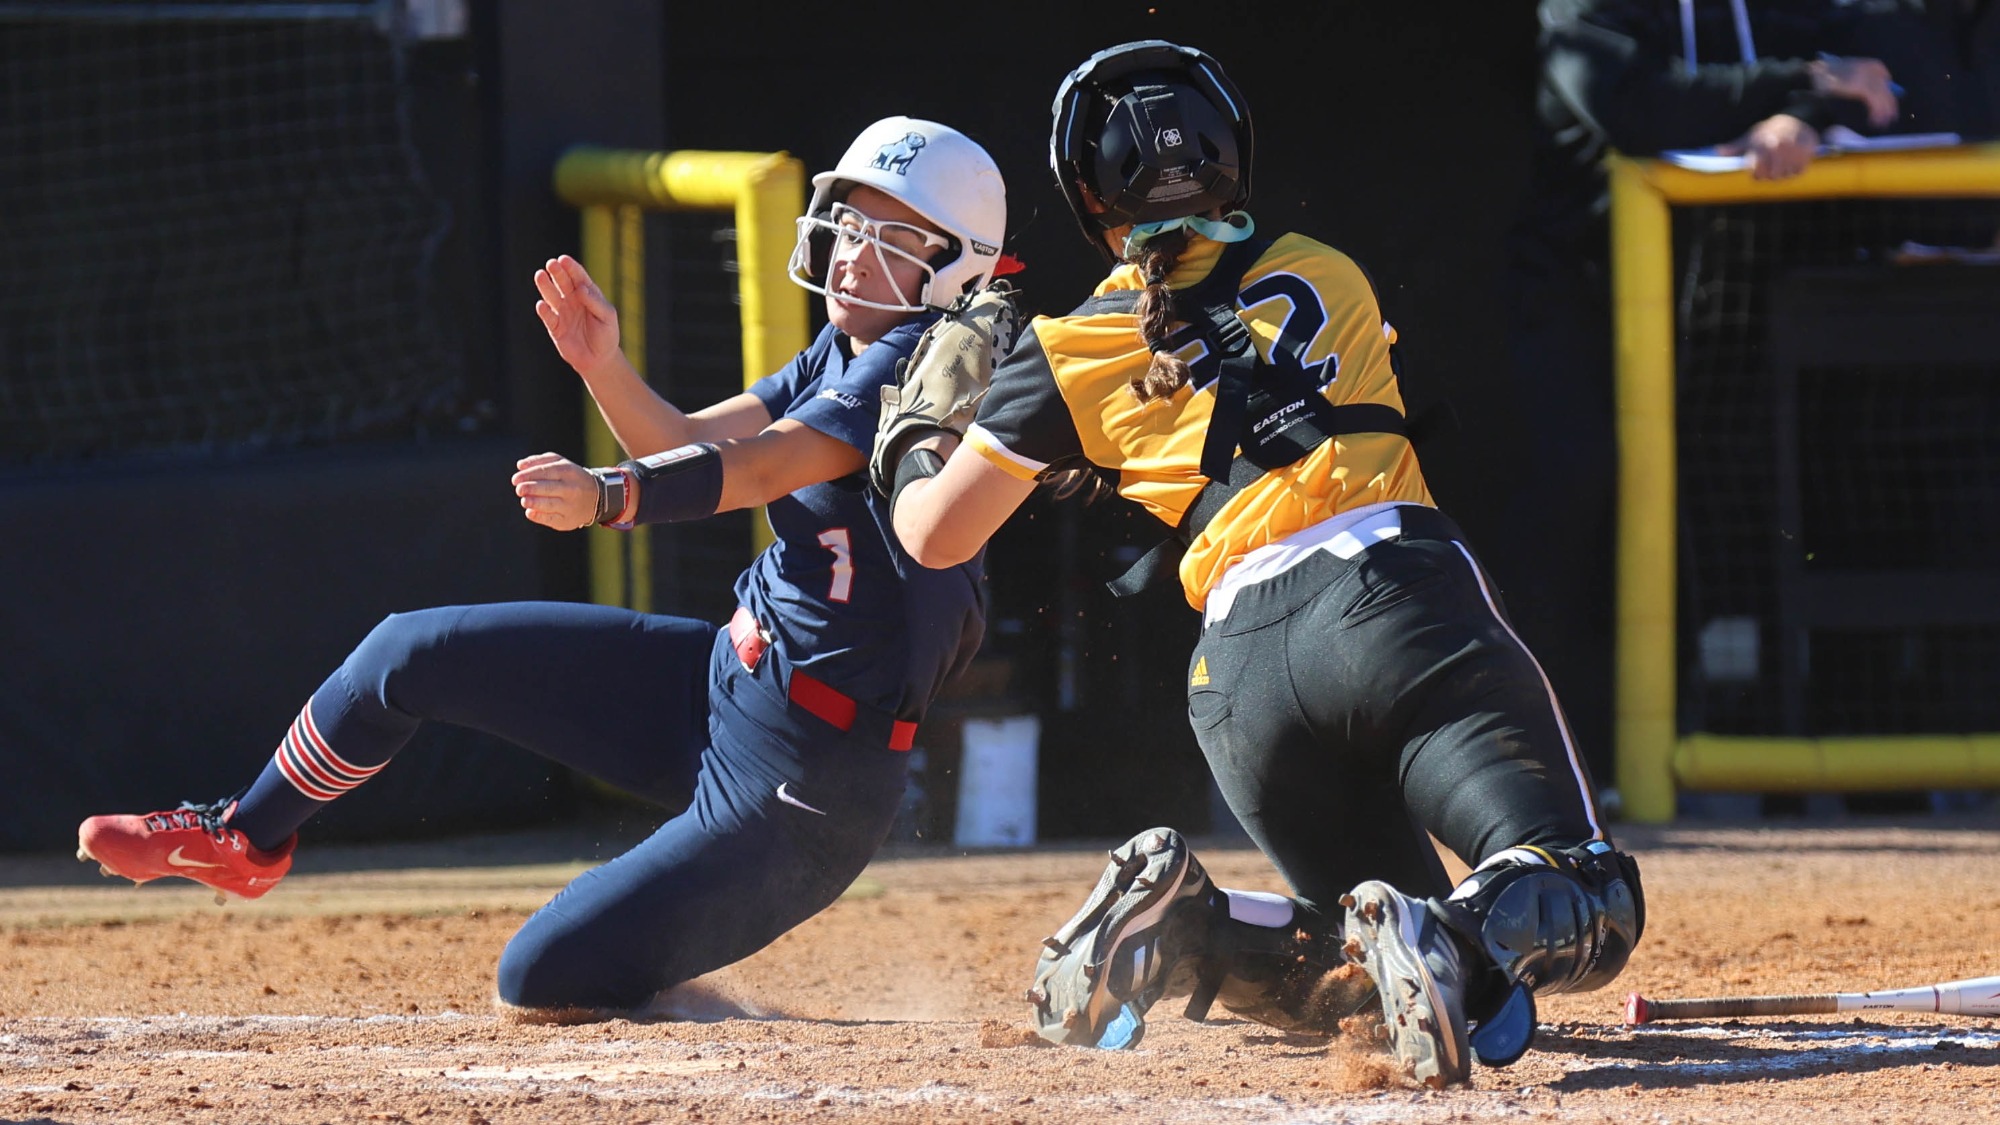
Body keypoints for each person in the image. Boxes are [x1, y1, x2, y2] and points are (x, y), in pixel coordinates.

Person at [75, 116, 1007, 1016]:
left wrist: (609, 496)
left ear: (957, 263)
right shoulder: (844, 344)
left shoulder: (915, 362)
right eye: (851, 224)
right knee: (409, 652)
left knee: (542, 977)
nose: (854, 254)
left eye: (893, 237)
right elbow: (684, 441)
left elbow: (761, 469)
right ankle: (243, 834)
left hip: (810, 776)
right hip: (726, 680)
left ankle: (714, 1019)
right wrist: (603, 365)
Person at [878, 42, 1643, 1088]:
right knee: (1584, 884)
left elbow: (932, 537)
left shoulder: (1064, 347)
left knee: (1374, 970)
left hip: (1236, 678)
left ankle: (1190, 925)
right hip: (1391, 601)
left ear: (1088, 199)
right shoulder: (1327, 267)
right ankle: (1449, 937)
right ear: (1231, 156)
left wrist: (918, 431)